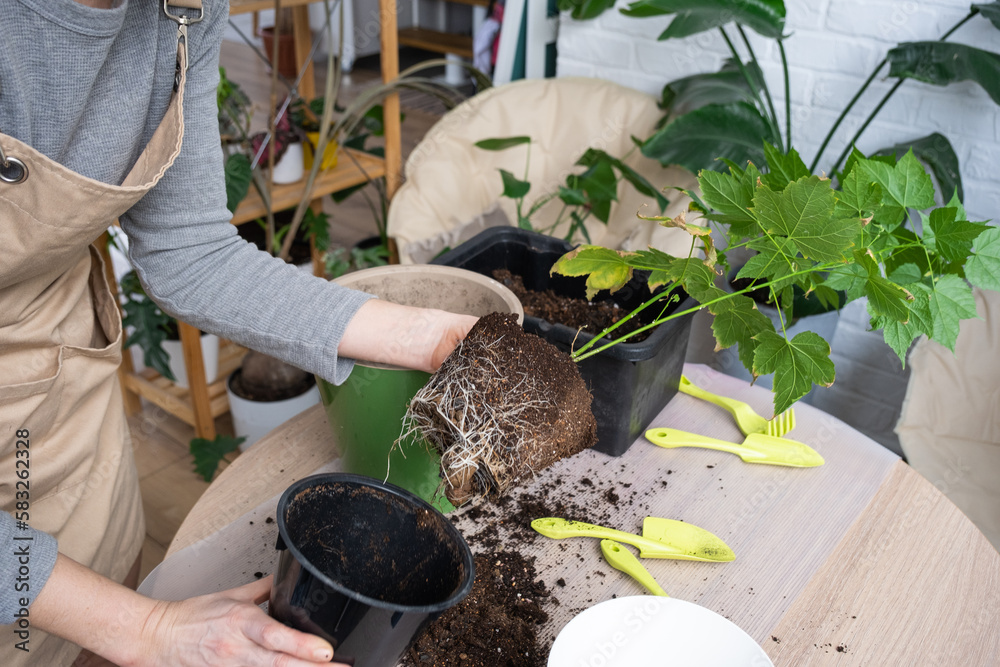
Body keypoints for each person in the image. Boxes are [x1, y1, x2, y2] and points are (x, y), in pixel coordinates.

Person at [0, 0, 477, 664]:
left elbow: (189, 250)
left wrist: (433, 338)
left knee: (86, 606)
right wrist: (144, 629)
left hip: (58, 366)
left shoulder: (179, 10)